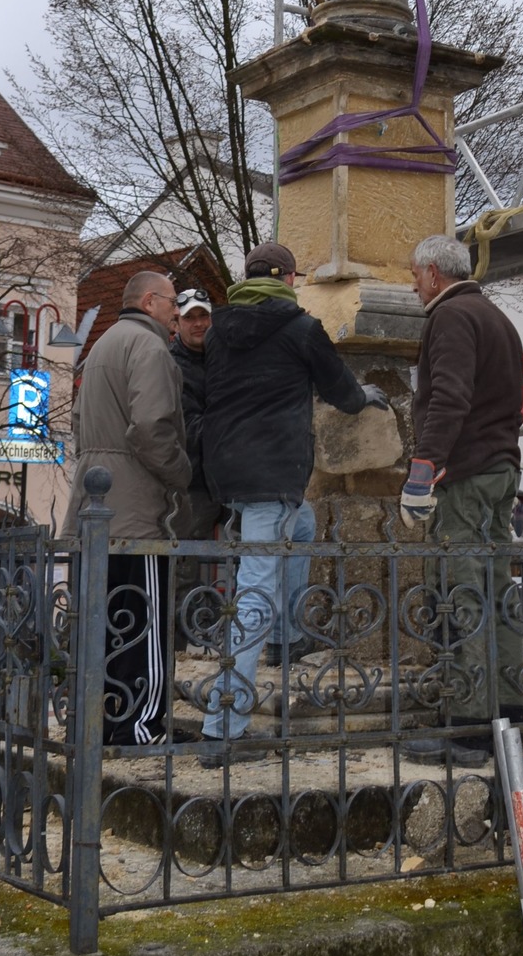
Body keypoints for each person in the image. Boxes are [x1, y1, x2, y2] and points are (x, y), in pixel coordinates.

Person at [196, 240, 388, 760]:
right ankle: (223, 727)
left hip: (227, 470)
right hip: (271, 473)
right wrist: (367, 395)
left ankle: (286, 636)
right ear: (285, 277)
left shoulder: (218, 330)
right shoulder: (301, 328)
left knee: (300, 527)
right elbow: (345, 395)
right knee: (256, 592)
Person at [401, 234, 523, 767]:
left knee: (461, 591)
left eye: (414, 275)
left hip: (465, 475)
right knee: (498, 590)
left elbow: (449, 396)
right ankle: (508, 711)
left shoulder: (450, 318)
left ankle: (471, 728)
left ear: (433, 273)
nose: (412, 285)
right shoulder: (497, 317)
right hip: (500, 469)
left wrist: (422, 470)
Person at [63, 267, 192, 746]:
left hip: (91, 502)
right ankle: (141, 728)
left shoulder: (101, 346)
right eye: (173, 301)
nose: (178, 311)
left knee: (101, 621)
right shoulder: (151, 347)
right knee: (143, 621)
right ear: (151, 301)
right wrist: (181, 474)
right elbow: (151, 427)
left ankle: (99, 722)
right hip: (136, 505)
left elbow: (78, 421)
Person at [170, 288, 221, 539]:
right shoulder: (171, 367)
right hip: (193, 483)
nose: (199, 323)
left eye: (204, 316)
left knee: (248, 560)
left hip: (231, 479)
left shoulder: (227, 357)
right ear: (176, 324)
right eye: (189, 318)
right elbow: (185, 428)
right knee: (184, 566)